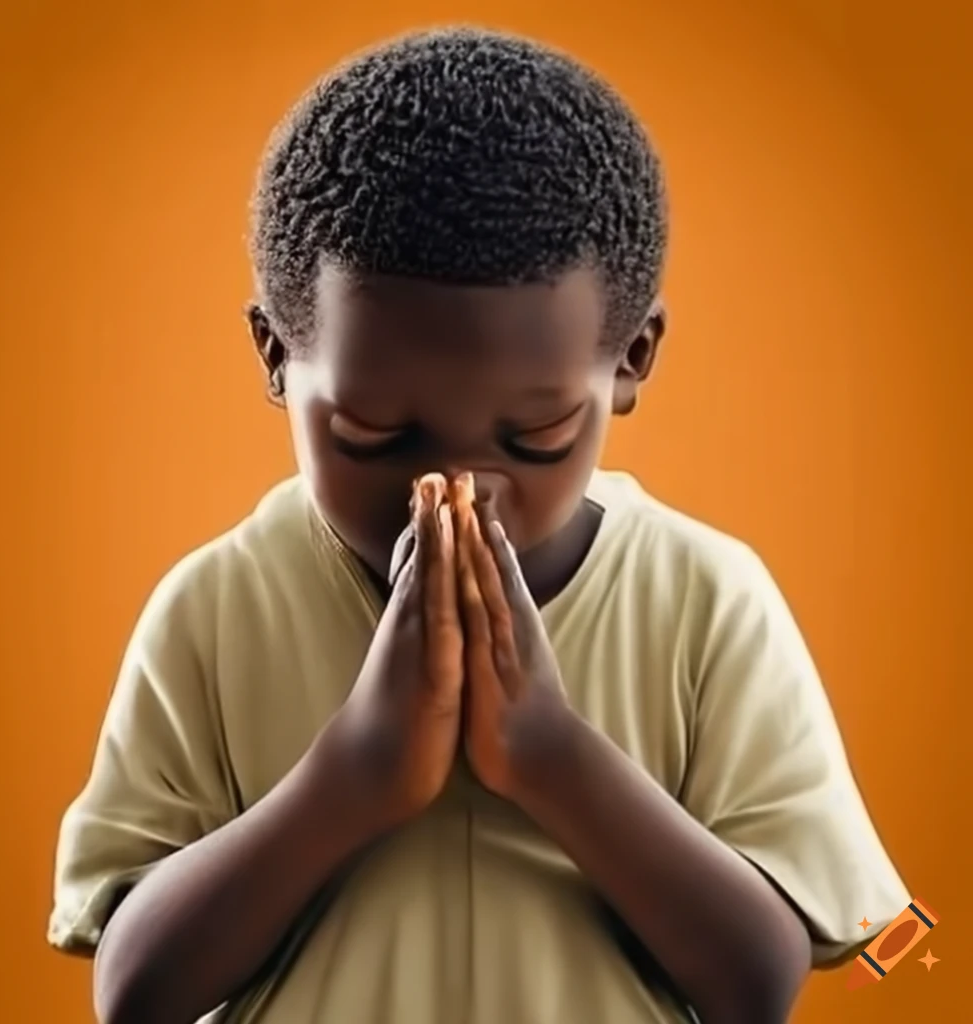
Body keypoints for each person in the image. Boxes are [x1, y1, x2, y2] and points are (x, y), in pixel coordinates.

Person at [48, 26, 909, 1024]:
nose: (455, 487)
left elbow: (760, 982)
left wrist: (552, 758)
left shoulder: (706, 601)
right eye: (373, 432)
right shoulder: (215, 607)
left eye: (535, 434)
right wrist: (350, 779)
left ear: (629, 359)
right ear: (276, 354)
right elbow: (134, 990)